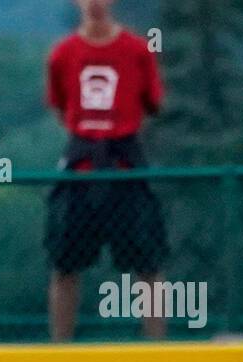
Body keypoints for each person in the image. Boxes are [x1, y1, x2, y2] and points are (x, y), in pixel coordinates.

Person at [45, 0, 168, 341]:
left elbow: (152, 103)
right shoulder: (62, 54)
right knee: (64, 264)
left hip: (125, 166)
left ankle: (157, 349)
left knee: (148, 263)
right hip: (80, 165)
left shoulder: (138, 51)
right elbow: (59, 105)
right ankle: (59, 350)